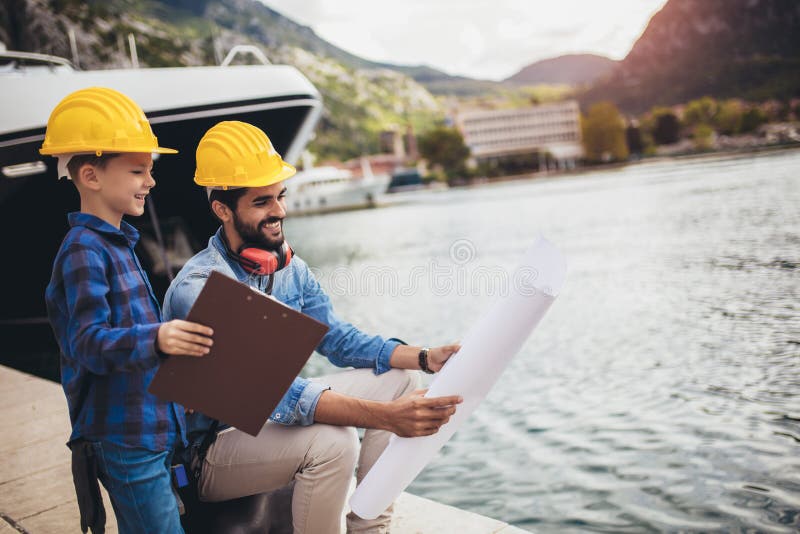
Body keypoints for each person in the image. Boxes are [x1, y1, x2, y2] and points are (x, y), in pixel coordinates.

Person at [162, 120, 462, 534]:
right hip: (210, 449)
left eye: (280, 197)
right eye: (262, 202)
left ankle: (370, 528)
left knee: (401, 379)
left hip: (270, 418)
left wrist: (426, 357)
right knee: (335, 443)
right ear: (222, 209)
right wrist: (387, 418)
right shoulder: (196, 290)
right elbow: (271, 392)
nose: (279, 212)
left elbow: (335, 338)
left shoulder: (289, 267)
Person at [42, 86, 214, 534]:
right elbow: (87, 343)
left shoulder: (117, 245)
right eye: (138, 170)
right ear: (91, 177)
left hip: (153, 432)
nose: (151, 181)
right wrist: (158, 337)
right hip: (126, 440)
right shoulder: (83, 250)